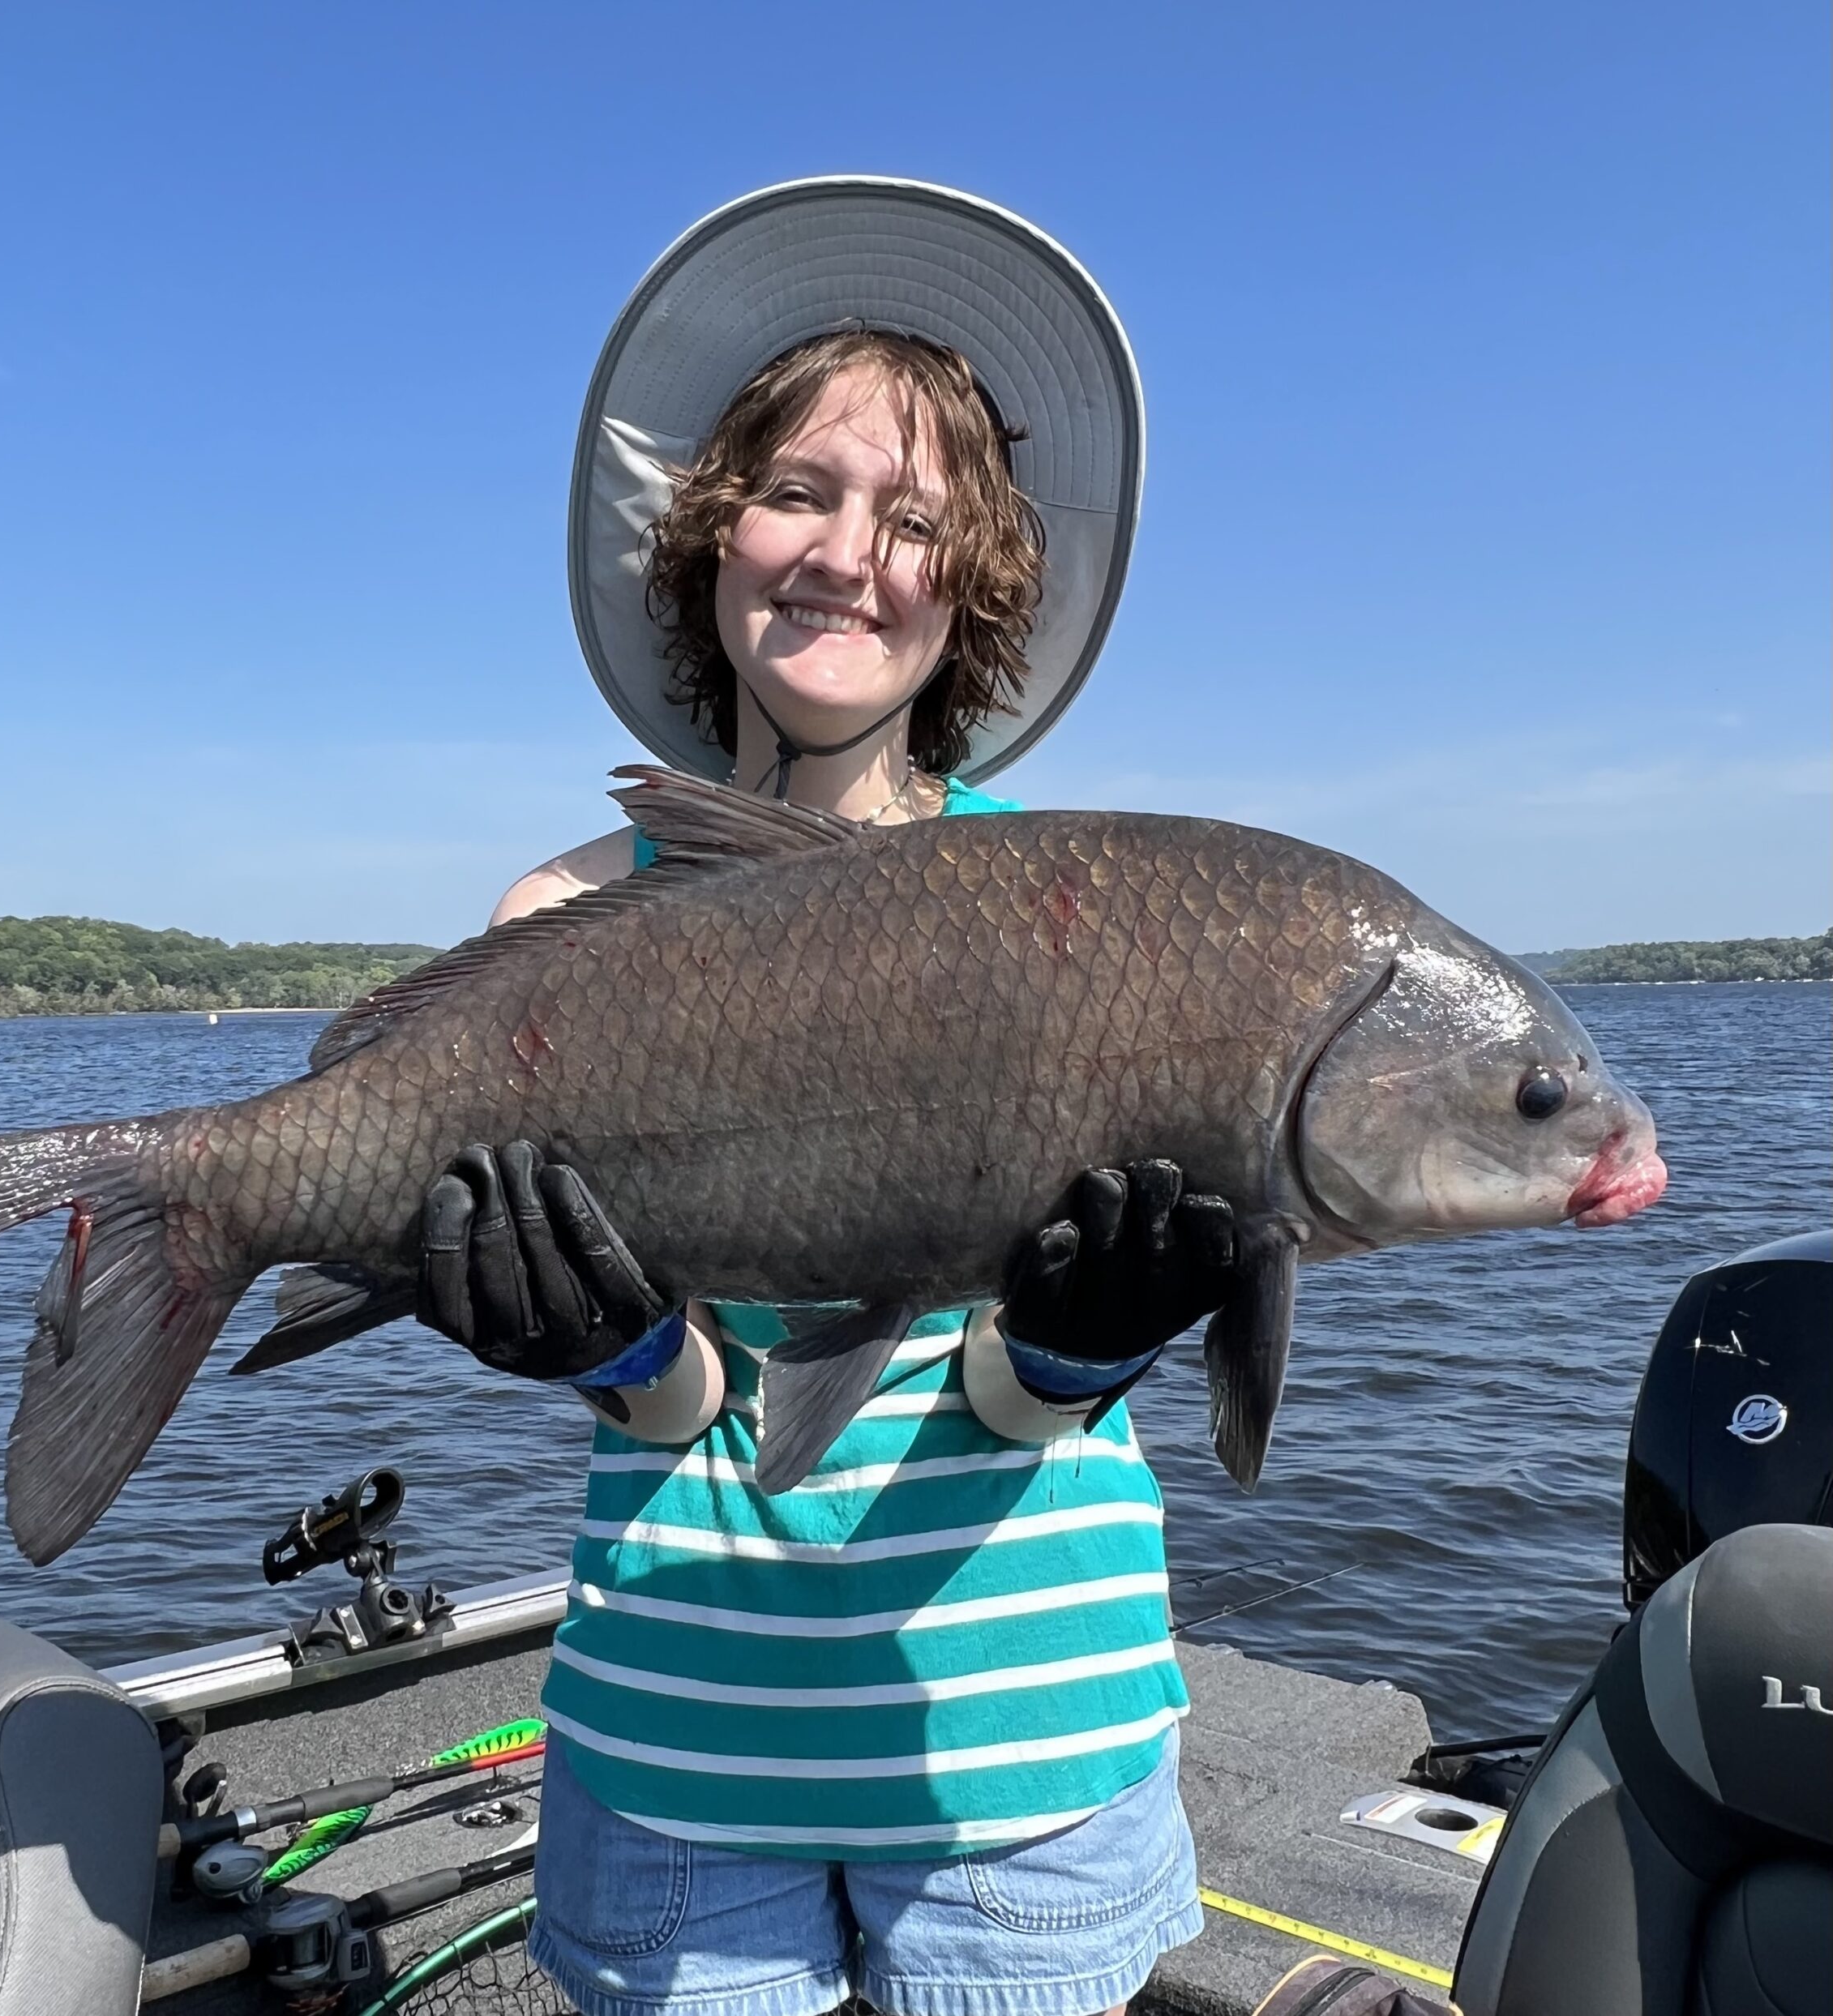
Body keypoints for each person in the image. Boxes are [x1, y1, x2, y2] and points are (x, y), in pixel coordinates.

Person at [416, 179, 1239, 2016]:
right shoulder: (562, 921)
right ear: (708, 538)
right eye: (796, 492)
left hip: (1024, 1753)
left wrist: (1082, 1346)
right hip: (679, 1756)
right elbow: (681, 1409)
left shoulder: (1093, 920)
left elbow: (1013, 1406)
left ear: (974, 594)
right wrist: (615, 1350)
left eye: (916, 522)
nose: (847, 555)